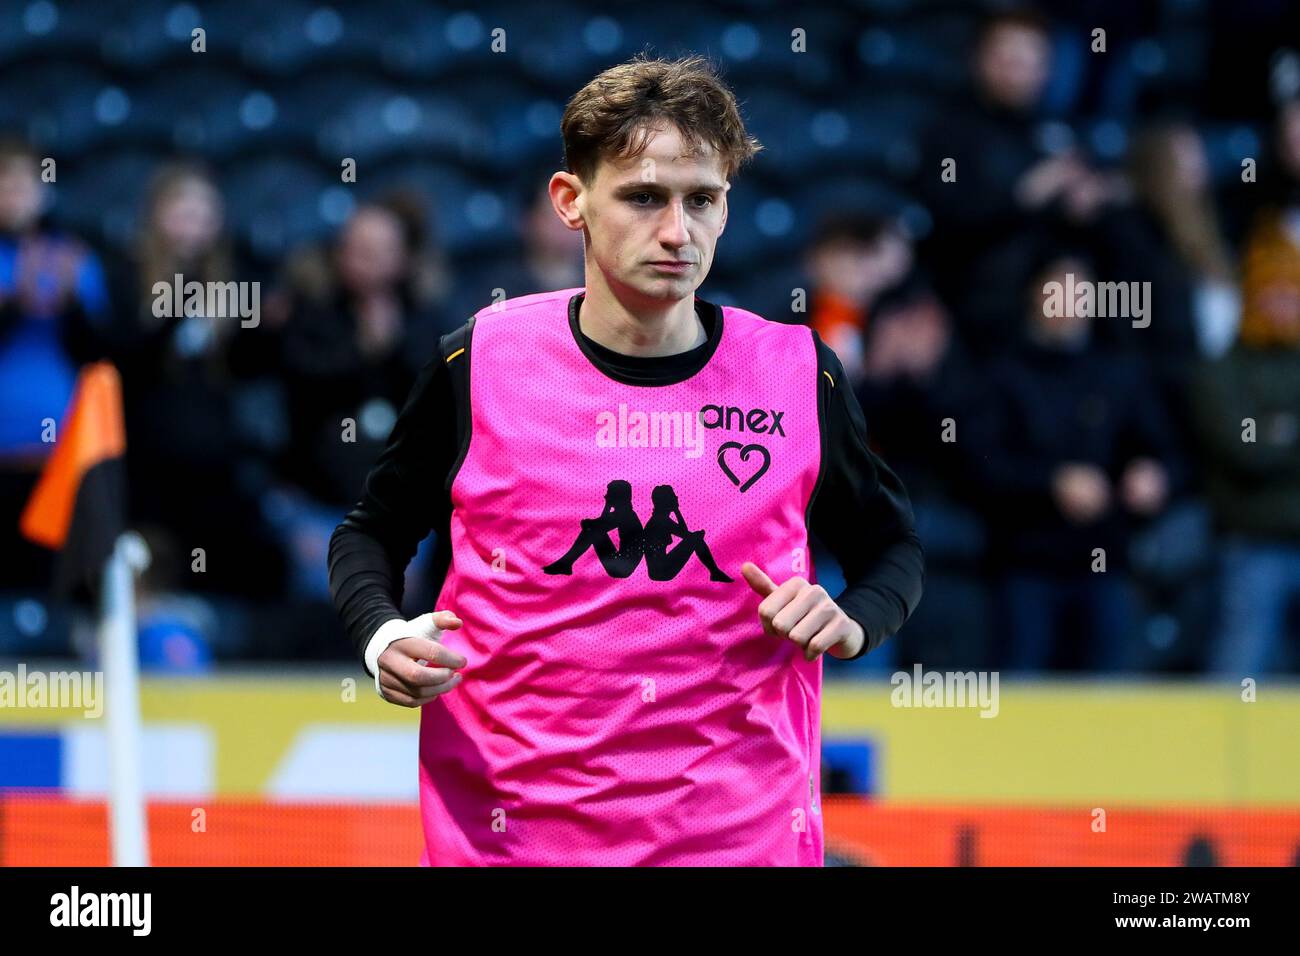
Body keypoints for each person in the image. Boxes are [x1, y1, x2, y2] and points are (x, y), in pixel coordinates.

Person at [327, 54, 924, 866]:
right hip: (511, 840)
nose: (677, 231)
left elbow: (891, 548)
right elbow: (370, 532)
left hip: (740, 840)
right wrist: (381, 634)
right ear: (571, 202)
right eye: (644, 197)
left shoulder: (797, 372)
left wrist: (853, 621)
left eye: (702, 200)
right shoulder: (480, 361)